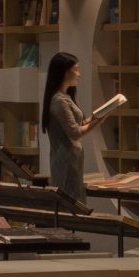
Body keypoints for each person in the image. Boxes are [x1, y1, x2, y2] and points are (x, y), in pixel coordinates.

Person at [41, 52, 106, 202]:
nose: (79, 74)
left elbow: (81, 123)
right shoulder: (59, 101)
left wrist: (101, 114)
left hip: (72, 159)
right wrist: (98, 121)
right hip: (65, 160)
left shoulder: (66, 97)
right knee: (70, 200)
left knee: (75, 198)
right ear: (65, 72)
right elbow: (75, 132)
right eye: (76, 69)